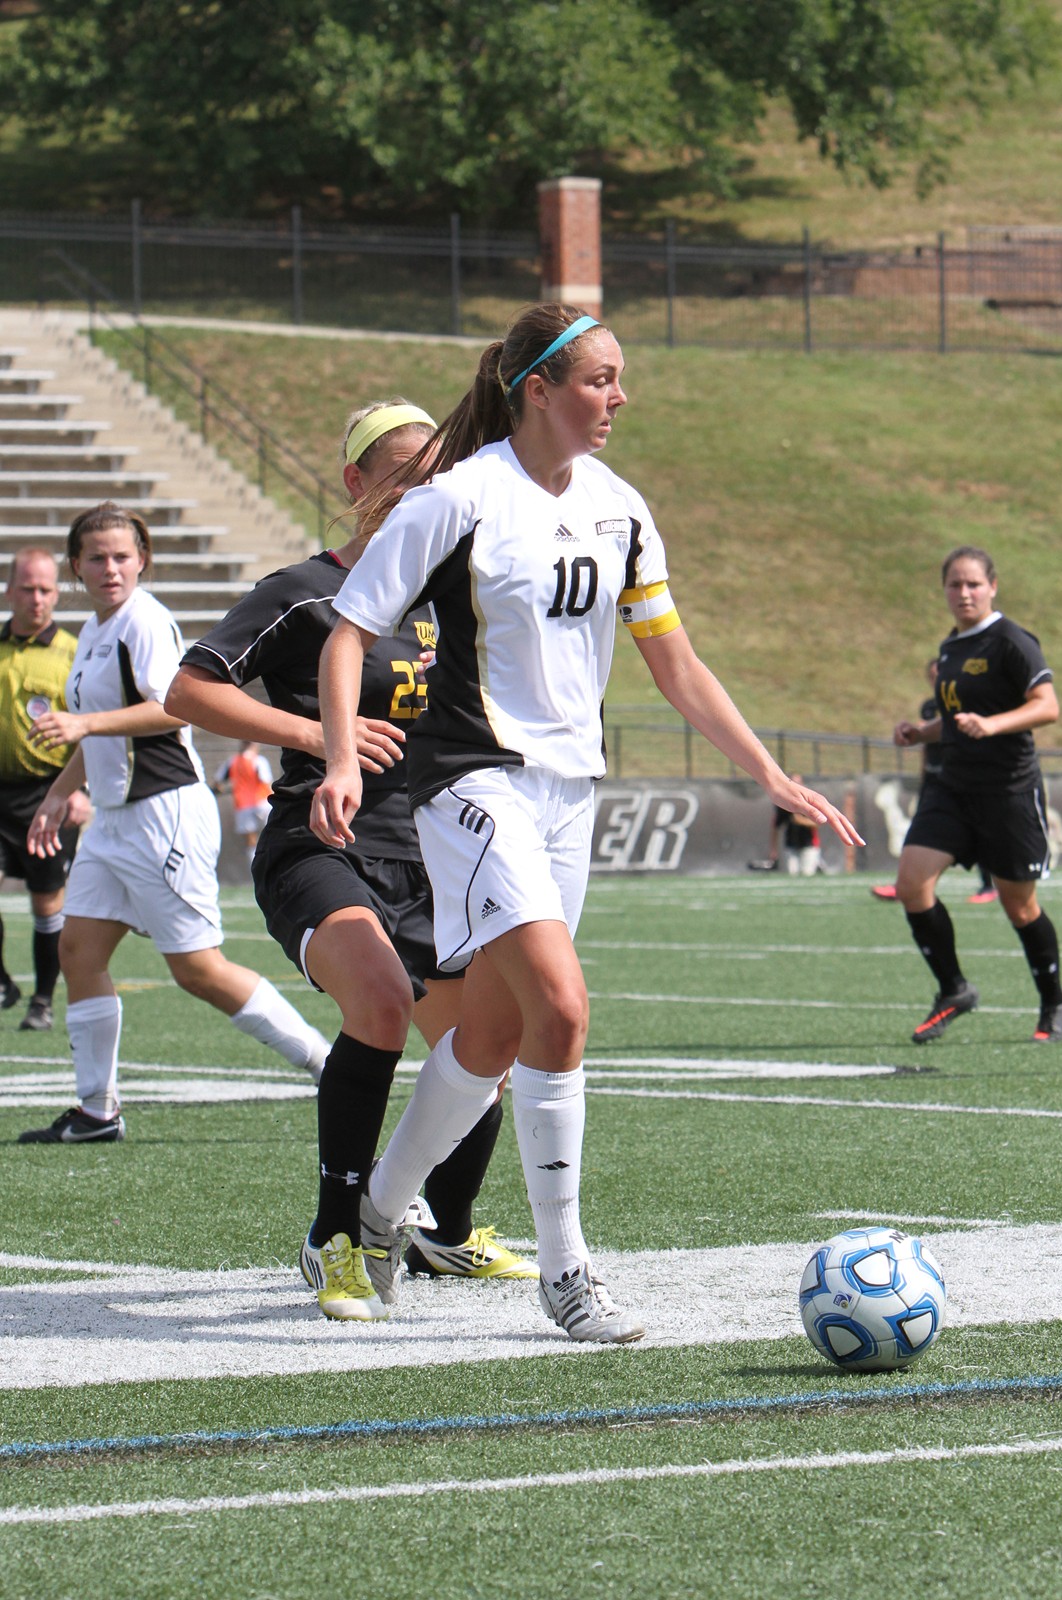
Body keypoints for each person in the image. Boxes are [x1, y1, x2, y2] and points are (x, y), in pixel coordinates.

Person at [310, 303, 864, 1343]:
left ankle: (381, 1210)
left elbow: (676, 664)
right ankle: (567, 1271)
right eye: (600, 380)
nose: (619, 398)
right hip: (474, 783)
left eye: (618, 380)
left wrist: (771, 773)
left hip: (571, 793)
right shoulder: (459, 500)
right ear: (538, 391)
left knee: (502, 1031)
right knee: (562, 1007)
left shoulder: (622, 507)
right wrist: (341, 755)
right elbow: (350, 632)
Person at [165, 400, 536, 1321]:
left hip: (440, 854)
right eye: (400, 472)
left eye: (435, 475)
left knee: (485, 1047)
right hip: (319, 841)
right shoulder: (302, 592)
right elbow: (186, 687)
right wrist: (316, 731)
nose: (420, 489)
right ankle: (334, 1236)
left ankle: (449, 1234)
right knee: (377, 1002)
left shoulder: (460, 597)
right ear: (356, 485)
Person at [17, 501, 331, 1145]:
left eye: (122, 556)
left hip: (164, 814)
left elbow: (173, 711)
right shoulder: (97, 632)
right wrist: (59, 792)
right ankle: (96, 1111)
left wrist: (82, 725)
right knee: (78, 951)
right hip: (113, 821)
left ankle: (330, 1066)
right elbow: (97, 736)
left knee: (198, 971)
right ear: (76, 565)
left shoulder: (144, 622)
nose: (110, 568)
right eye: (96, 557)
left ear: (143, 562)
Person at [891, 545, 1062, 1044]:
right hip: (953, 789)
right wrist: (920, 733)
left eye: (973, 584)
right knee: (912, 884)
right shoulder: (951, 647)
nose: (963, 593)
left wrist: (993, 725)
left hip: (1007, 792)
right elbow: (956, 719)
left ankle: (1054, 999)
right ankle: (954, 989)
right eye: (954, 584)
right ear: (944, 590)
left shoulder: (1012, 640)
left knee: (1020, 908)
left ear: (992, 587)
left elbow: (1047, 706)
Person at [0, 549, 90, 1030]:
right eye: (27, 588)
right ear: (9, 590)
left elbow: (92, 724)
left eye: (45, 589)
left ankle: (41, 999)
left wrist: (82, 789)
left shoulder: (73, 651)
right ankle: (2, 982)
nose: (36, 598)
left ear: (56, 594)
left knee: (46, 899)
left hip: (50, 791)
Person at [873, 658, 997, 903]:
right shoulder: (930, 706)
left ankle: (988, 886)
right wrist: (923, 766)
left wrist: (930, 729)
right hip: (934, 778)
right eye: (932, 676)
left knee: (979, 830)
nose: (936, 679)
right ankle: (906, 884)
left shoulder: (964, 702)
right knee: (920, 829)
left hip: (962, 777)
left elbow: (967, 732)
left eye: (939, 674)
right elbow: (925, 745)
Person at [212, 740, 273, 867]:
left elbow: (218, 783)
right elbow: (266, 781)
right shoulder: (259, 760)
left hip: (243, 806)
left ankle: (256, 869)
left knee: (251, 841)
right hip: (262, 803)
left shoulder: (232, 762)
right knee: (272, 834)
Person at [768, 775, 822, 875]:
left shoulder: (809, 801)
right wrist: (773, 849)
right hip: (791, 844)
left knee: (807, 874)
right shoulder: (783, 803)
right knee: (792, 874)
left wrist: (800, 820)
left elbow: (818, 822)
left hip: (809, 844)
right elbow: (776, 826)